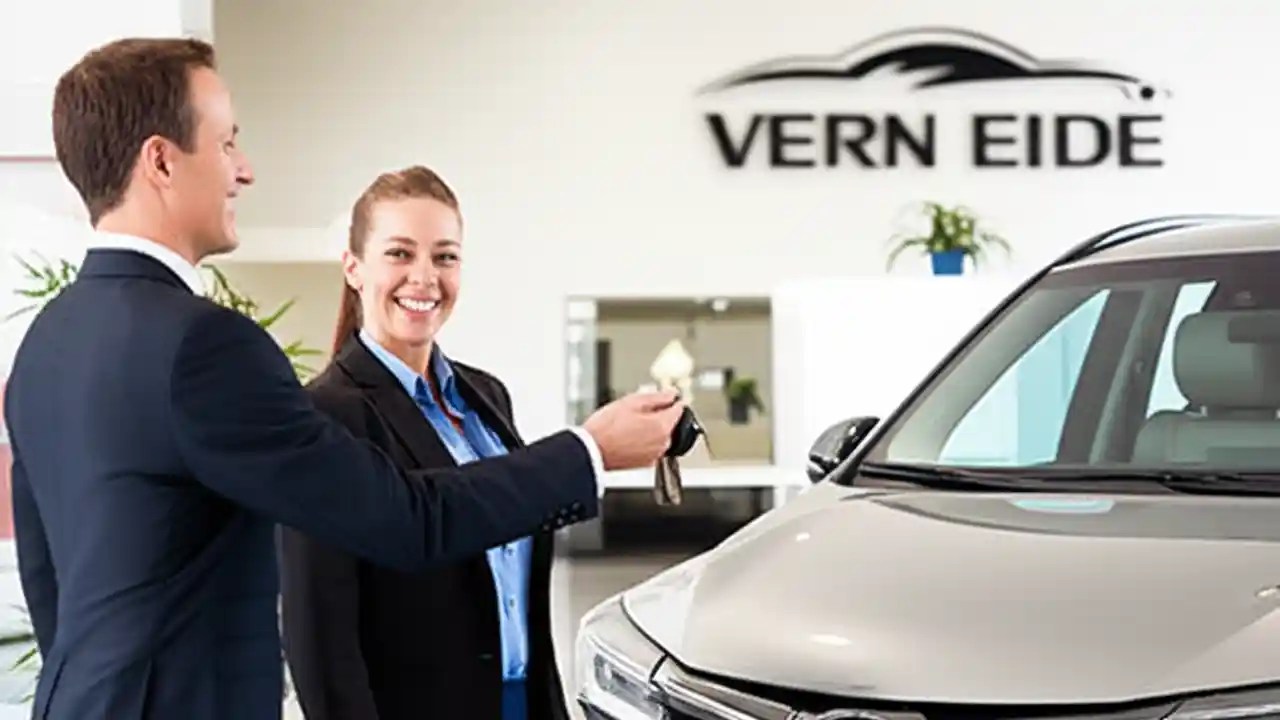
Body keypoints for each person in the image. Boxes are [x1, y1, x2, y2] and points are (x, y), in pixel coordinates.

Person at [1, 37, 684, 720]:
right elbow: (406, 522)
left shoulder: (46, 342)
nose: (244, 171)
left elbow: (52, 589)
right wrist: (590, 451)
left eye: (446, 254)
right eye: (227, 143)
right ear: (161, 161)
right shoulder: (206, 345)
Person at [279, 166, 581, 720]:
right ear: (353, 268)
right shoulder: (324, 415)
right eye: (399, 254)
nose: (425, 277)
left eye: (445, 256)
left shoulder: (487, 396)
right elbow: (319, 640)